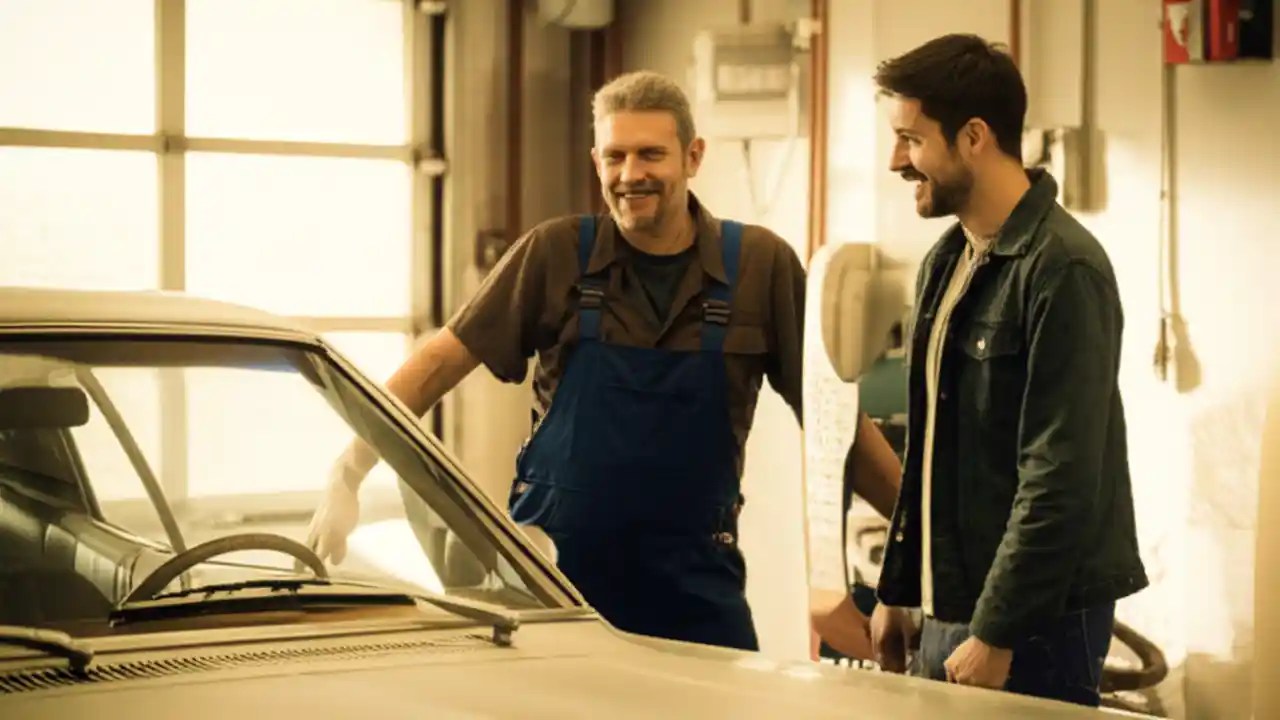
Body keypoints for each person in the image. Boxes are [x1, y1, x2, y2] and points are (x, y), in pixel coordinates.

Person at [306, 70, 899, 652]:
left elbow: (835, 425)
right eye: (615, 156)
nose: (630, 174)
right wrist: (348, 472)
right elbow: (438, 364)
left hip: (695, 587)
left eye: (650, 154)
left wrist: (914, 541)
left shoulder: (759, 267)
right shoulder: (555, 253)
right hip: (554, 590)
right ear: (596, 162)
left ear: (693, 156)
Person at [865, 34, 1148, 707]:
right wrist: (900, 589)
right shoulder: (945, 261)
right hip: (952, 603)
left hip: (1032, 623)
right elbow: (931, 450)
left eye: (911, 139)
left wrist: (998, 631)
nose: (895, 161)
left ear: (973, 137)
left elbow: (1060, 472)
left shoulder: (1064, 269)